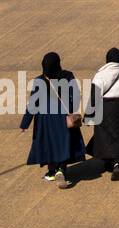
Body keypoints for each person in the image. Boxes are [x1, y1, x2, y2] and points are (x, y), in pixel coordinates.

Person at [19, 52, 86, 189]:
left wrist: (25, 123)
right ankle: (61, 169)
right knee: (64, 142)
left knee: (49, 143)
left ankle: (51, 171)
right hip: (62, 117)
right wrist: (71, 109)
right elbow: (76, 97)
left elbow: (33, 104)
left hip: (45, 120)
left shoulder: (40, 80)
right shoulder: (68, 76)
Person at [86, 48, 119, 181]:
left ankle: (109, 162)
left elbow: (94, 98)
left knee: (104, 137)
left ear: (107, 59)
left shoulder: (100, 75)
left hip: (105, 109)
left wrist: (89, 116)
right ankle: (117, 163)